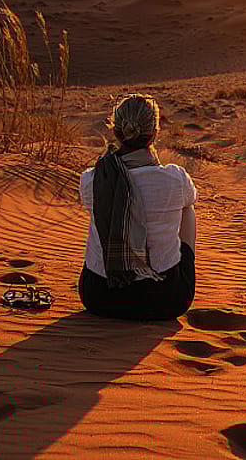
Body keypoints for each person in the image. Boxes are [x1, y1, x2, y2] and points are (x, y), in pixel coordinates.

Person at [77, 94, 197, 320]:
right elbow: (188, 204)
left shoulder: (93, 179)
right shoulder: (175, 178)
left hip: (99, 298)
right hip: (163, 300)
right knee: (187, 207)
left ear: (115, 131)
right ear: (155, 133)